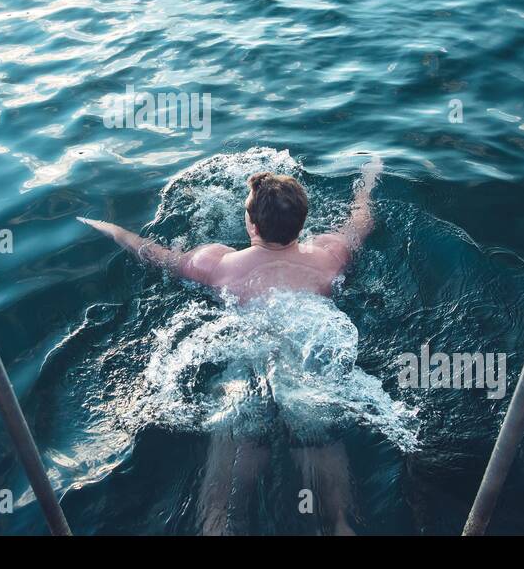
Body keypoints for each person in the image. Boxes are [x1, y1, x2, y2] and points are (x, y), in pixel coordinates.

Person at [78, 158, 383, 534]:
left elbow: (151, 254)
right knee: (316, 433)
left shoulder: (218, 265)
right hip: (310, 351)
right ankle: (339, 525)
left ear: (251, 224)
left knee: (235, 454)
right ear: (302, 223)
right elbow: (361, 220)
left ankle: (218, 525)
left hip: (247, 356)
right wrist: (369, 176)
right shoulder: (329, 257)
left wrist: (109, 228)